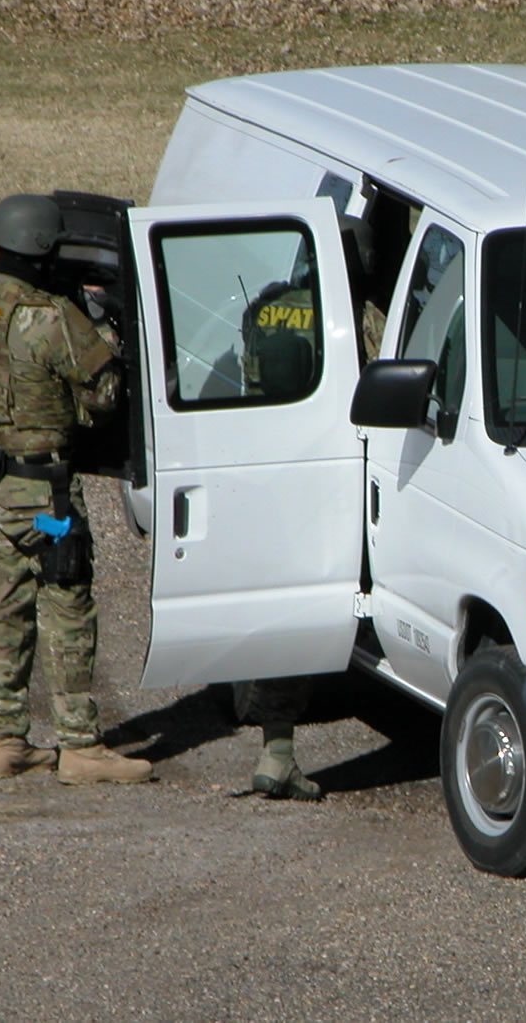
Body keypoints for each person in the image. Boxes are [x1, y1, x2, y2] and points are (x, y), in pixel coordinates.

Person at [0, 193, 153, 785]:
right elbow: (105, 397)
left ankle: (5, 741)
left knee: (4, 606)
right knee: (68, 605)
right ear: (42, 249)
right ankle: (81, 746)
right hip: (49, 499)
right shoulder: (52, 317)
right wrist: (105, 334)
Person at [231, 268, 328, 800]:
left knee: (277, 609)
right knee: (302, 613)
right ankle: (278, 755)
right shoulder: (338, 308)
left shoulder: (263, 306)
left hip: (260, 461)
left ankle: (277, 748)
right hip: (311, 468)